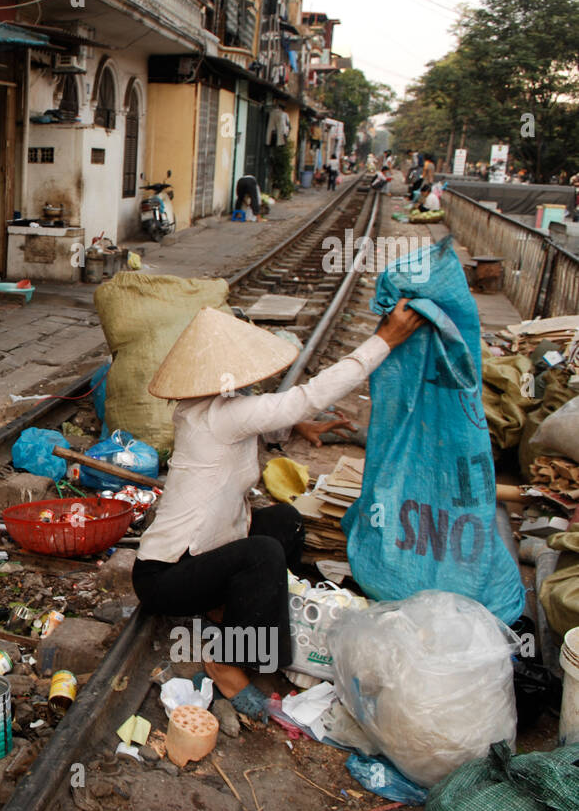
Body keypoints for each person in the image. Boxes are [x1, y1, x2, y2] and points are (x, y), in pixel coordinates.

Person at [132, 302, 424, 716]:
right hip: (165, 575)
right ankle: (229, 663)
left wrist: (294, 426)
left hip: (202, 554)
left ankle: (242, 618)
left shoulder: (203, 409)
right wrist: (383, 342)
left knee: (285, 522)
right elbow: (301, 399)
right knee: (263, 553)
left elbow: (254, 426)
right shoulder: (220, 415)